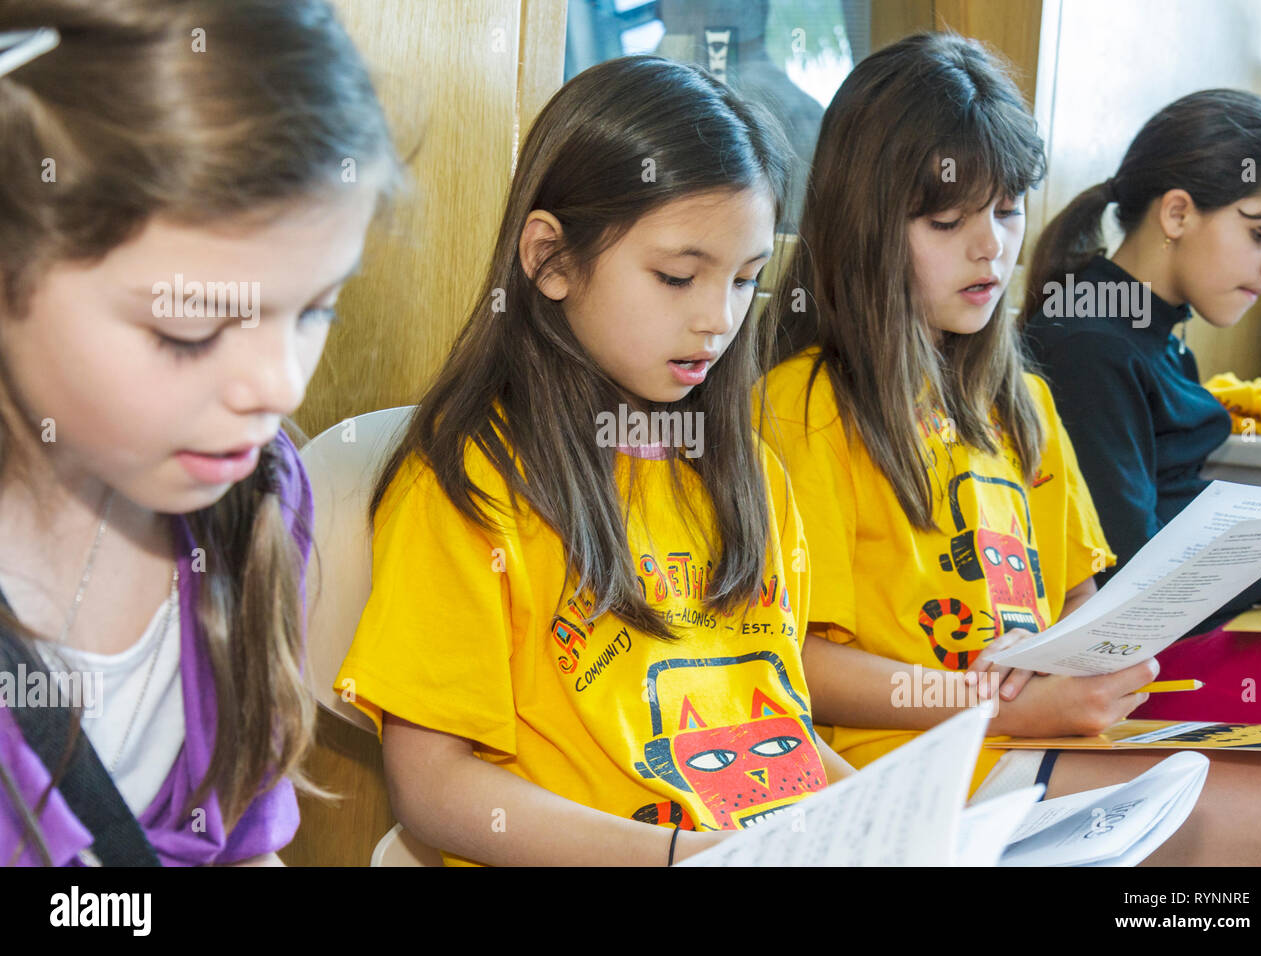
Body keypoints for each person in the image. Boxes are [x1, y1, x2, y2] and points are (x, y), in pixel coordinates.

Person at [760, 32, 1261, 865]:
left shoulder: (1023, 401)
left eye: (1008, 210)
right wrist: (1000, 706)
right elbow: (795, 661)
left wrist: (1109, 664)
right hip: (913, 768)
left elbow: (1083, 599)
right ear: (863, 228)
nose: (992, 247)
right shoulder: (804, 406)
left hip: (1036, 745)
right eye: (948, 221)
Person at [335, 55, 854, 867]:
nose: (717, 321)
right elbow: (432, 788)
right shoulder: (471, 485)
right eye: (677, 277)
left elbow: (781, 729)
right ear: (550, 259)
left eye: (747, 280)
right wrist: (681, 857)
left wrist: (879, 818)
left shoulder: (749, 472)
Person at [0, 0, 400, 866]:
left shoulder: (258, 497)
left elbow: (239, 845)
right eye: (189, 331)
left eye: (317, 307)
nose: (281, 387)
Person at [1023, 90, 1261, 722]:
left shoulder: (1153, 337)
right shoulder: (1088, 346)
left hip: (1179, 645)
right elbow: (1125, 591)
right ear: (1176, 213)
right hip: (1128, 673)